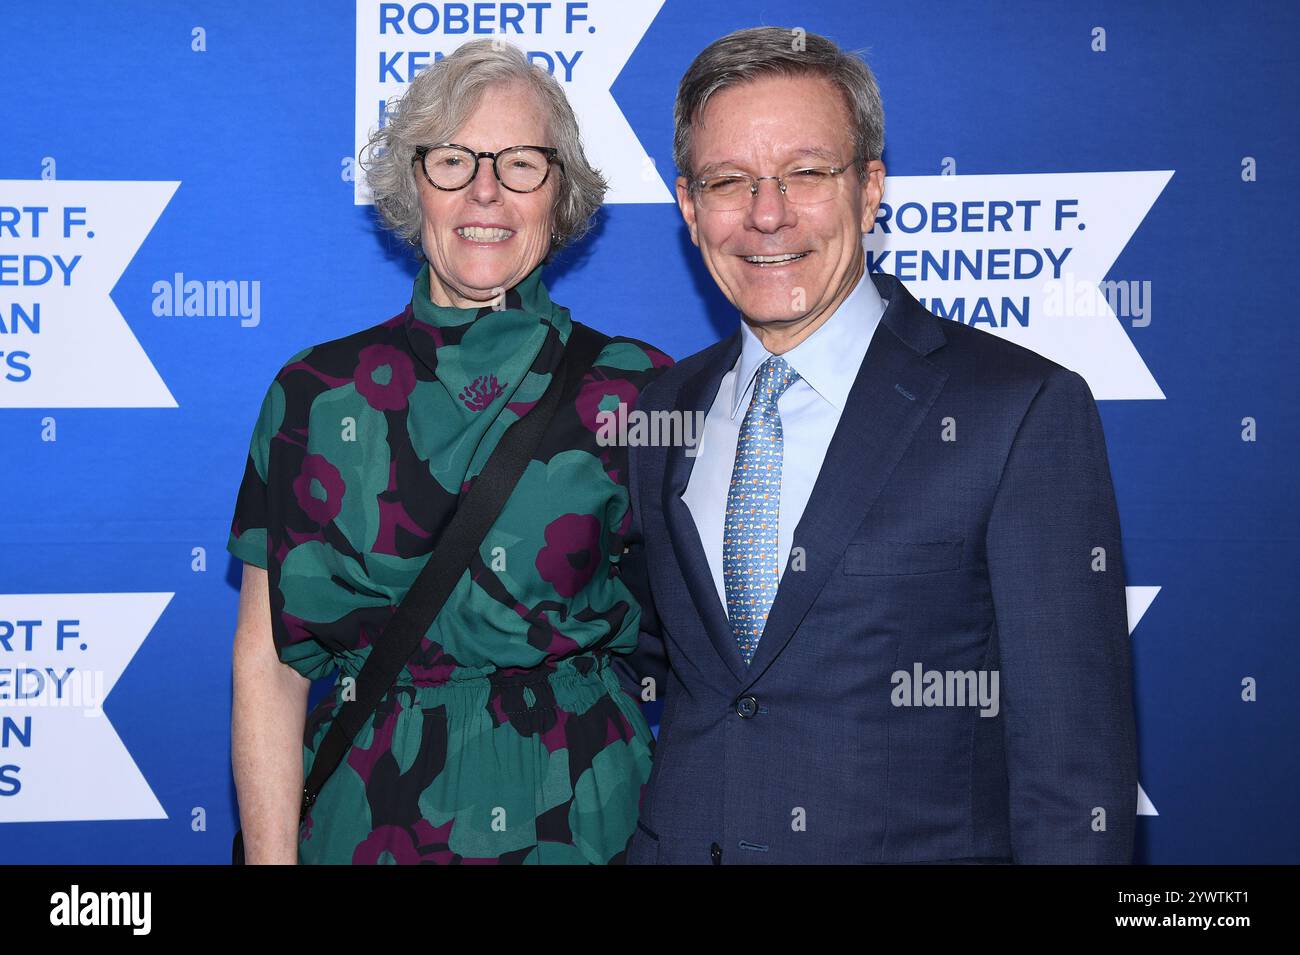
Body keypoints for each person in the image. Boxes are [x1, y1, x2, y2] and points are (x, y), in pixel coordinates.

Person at [621, 26, 1139, 864]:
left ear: (870, 191)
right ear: (688, 206)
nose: (766, 213)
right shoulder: (662, 412)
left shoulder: (1018, 409)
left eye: (806, 173)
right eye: (729, 181)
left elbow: (1073, 774)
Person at [227, 39, 672, 864]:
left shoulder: (641, 393)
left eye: (521, 163)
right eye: (454, 160)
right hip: (368, 822)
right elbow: (268, 662)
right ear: (411, 183)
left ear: (562, 191)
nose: (486, 192)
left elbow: (709, 657)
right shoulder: (315, 396)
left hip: (589, 822)